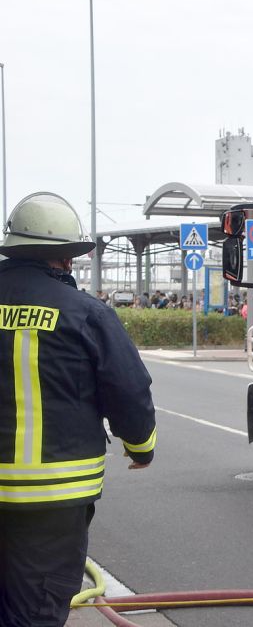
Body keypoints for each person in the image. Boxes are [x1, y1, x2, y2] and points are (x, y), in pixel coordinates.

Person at [0, 193, 157, 627]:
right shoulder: (86, 313)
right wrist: (141, 447)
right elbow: (129, 390)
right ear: (67, 258)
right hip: (52, 501)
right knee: (35, 611)